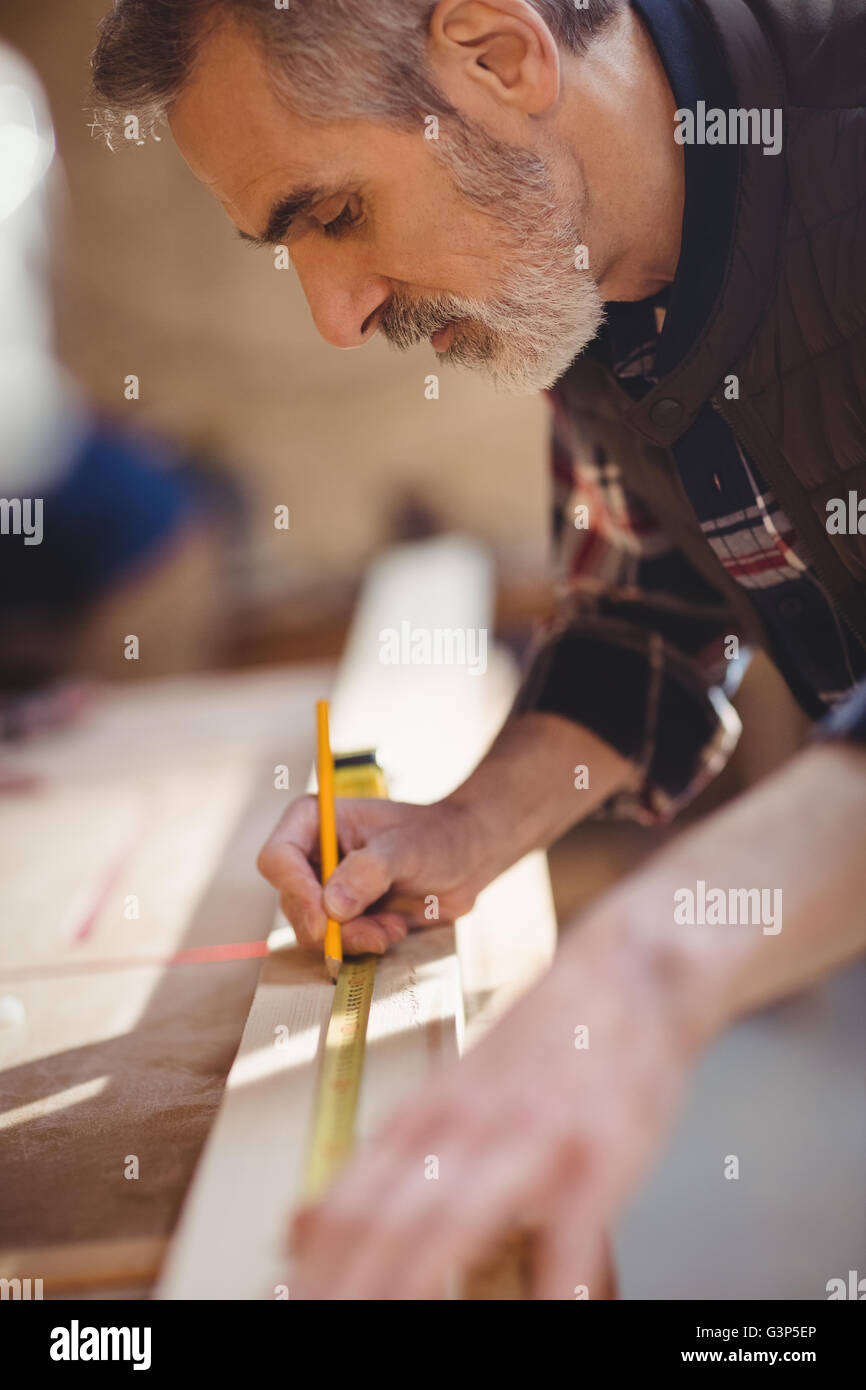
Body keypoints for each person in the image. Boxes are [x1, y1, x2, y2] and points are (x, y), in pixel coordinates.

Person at [91, 0, 866, 1298]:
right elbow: (651, 596)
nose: (334, 315)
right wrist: (465, 826)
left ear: (501, 55)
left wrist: (645, 960)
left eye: (331, 213)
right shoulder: (577, 262)